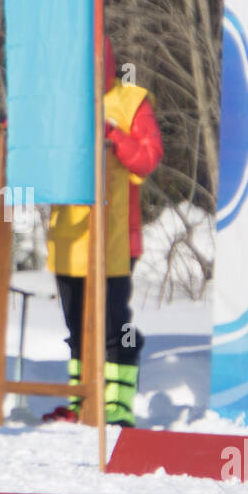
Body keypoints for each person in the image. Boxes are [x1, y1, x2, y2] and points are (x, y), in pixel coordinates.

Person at [44, 38, 163, 427]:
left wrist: (113, 134)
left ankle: (118, 402)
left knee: (117, 325)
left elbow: (147, 159)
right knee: (76, 324)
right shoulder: (61, 100)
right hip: (69, 236)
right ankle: (82, 399)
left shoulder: (130, 100)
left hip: (114, 238)